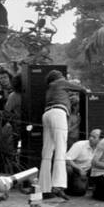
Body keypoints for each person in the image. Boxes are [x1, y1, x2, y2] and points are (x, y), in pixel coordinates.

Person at [39, 69, 88, 200]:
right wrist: (86, 91)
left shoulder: (50, 89)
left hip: (47, 114)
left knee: (47, 152)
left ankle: (44, 187)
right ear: (59, 77)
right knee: (61, 149)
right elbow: (80, 88)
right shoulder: (60, 82)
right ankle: (58, 185)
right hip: (58, 114)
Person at [65, 128, 100, 196]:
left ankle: (92, 187)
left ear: (100, 139)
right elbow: (67, 159)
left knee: (81, 191)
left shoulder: (101, 148)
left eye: (94, 137)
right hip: (75, 170)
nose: (90, 138)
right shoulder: (80, 145)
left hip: (89, 171)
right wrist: (79, 169)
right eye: (90, 136)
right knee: (67, 169)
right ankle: (67, 188)